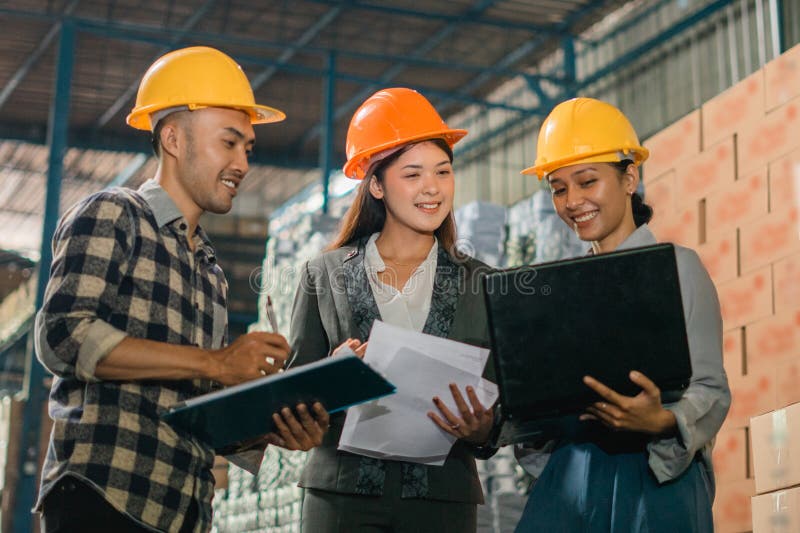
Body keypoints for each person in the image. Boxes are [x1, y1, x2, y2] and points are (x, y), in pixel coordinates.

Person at [33, 46, 329, 533]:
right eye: (229, 143)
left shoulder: (209, 269)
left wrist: (271, 426)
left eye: (247, 149)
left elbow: (192, 411)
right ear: (172, 138)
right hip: (105, 497)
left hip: (181, 512)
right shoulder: (114, 213)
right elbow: (63, 336)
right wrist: (216, 362)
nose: (243, 163)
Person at [513, 97, 731, 532]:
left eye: (587, 181)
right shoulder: (552, 291)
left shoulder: (677, 268)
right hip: (570, 479)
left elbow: (711, 389)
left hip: (653, 477)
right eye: (558, 188)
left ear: (629, 177)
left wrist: (664, 420)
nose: (572, 201)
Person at [288, 87, 496, 533]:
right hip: (341, 500)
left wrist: (482, 428)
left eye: (443, 171)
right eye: (413, 174)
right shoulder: (323, 274)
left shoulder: (483, 283)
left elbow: (505, 405)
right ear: (377, 185)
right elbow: (290, 397)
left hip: (442, 501)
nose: (432, 188)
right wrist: (330, 377)